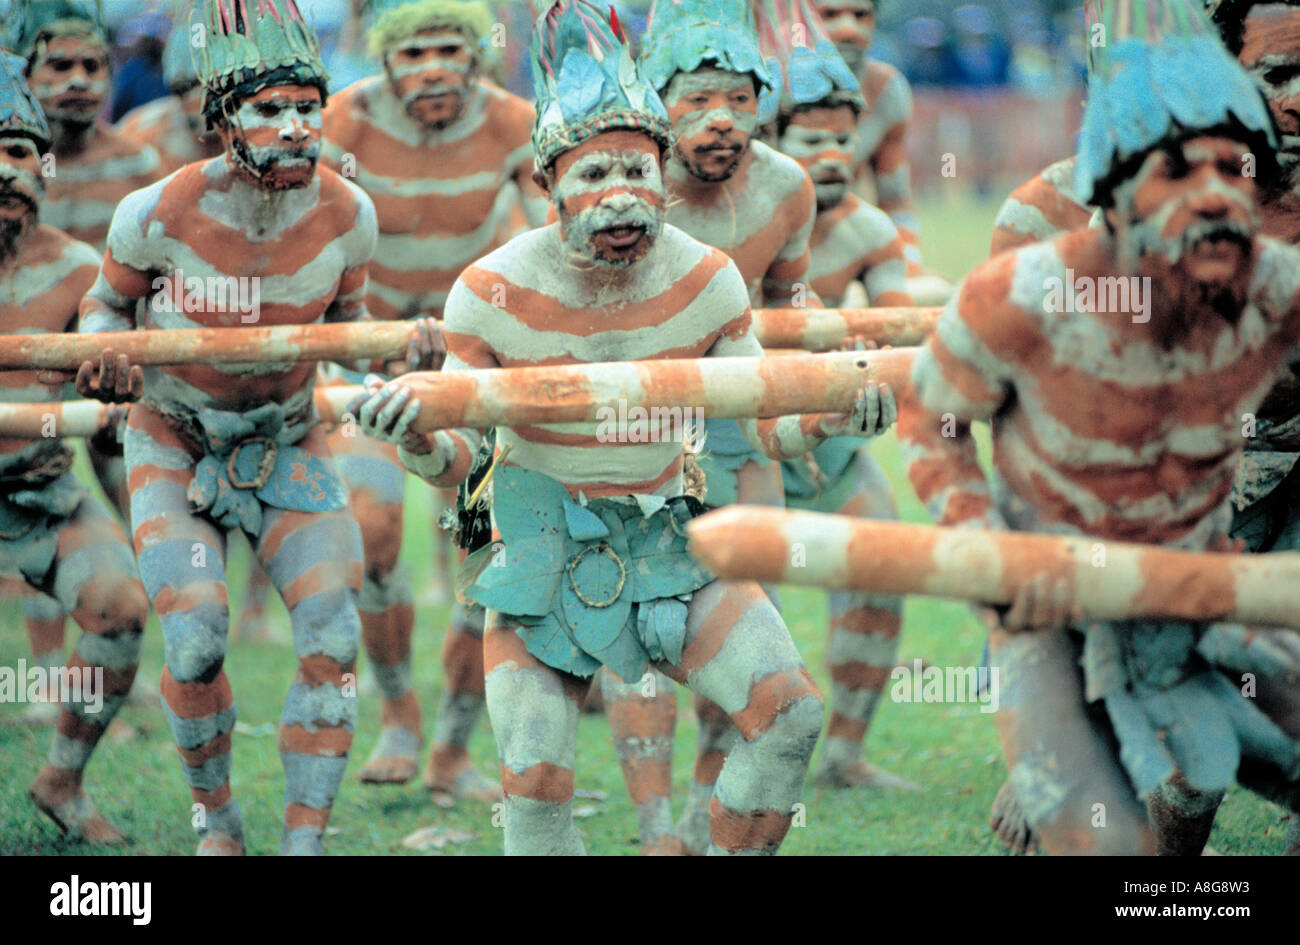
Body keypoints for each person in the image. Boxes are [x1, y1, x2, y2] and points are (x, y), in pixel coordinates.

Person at [352, 0, 896, 855]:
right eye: (595, 176)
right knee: (532, 792)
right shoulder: (490, 292)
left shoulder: (709, 280)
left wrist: (832, 413)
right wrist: (414, 435)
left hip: (668, 543)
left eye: (640, 175)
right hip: (539, 555)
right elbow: (459, 454)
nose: (622, 200)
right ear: (548, 184)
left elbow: (759, 425)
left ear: (665, 171)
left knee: (790, 716)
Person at [899, 0, 1300, 855]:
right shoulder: (1024, 291)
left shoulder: (1270, 283)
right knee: (1104, 837)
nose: (1214, 199)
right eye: (1177, 173)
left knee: (1200, 778)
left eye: (1234, 169)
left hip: (1206, 577)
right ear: (1114, 187)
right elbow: (929, 411)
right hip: (1063, 598)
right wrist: (987, 549)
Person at [75, 0, 379, 856]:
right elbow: (104, 307)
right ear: (221, 123)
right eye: (271, 109)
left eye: (308, 108)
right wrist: (109, 353)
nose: (295, 127)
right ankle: (220, 824)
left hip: (288, 438)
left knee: (332, 633)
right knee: (198, 634)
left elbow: (349, 332)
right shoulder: (158, 211)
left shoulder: (349, 214)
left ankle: (304, 843)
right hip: (173, 436)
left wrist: (399, 378)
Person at [0, 49, 149, 846]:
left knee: (121, 608)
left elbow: (105, 413)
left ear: (44, 167)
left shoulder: (78, 271)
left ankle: (61, 777)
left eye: (19, 152)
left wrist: (113, 398)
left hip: (39, 491)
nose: (5, 171)